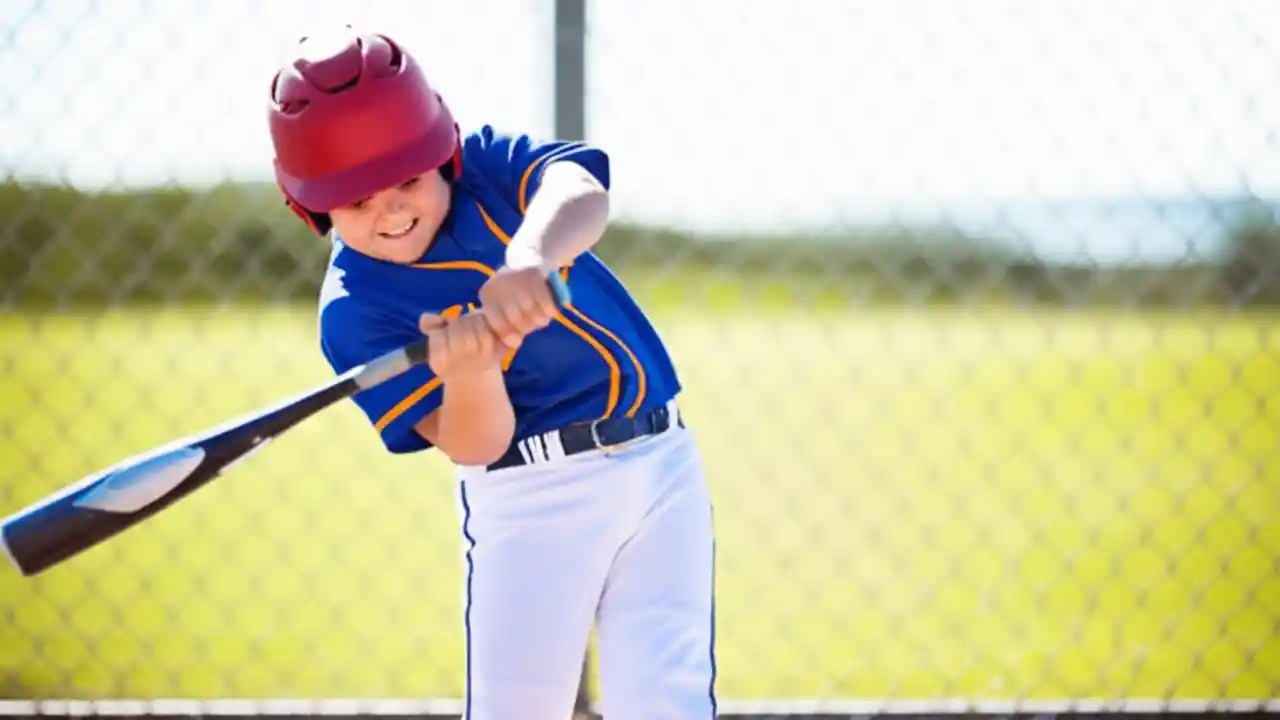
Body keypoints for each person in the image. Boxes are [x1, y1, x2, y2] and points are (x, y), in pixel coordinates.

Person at [266, 27, 717, 720]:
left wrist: (531, 257)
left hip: (662, 458)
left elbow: (582, 189)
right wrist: (473, 374)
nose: (391, 212)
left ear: (441, 153)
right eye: (357, 202)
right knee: (521, 707)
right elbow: (472, 444)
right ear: (311, 208)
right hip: (533, 495)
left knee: (668, 701)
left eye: (408, 180)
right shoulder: (356, 313)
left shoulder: (482, 165)